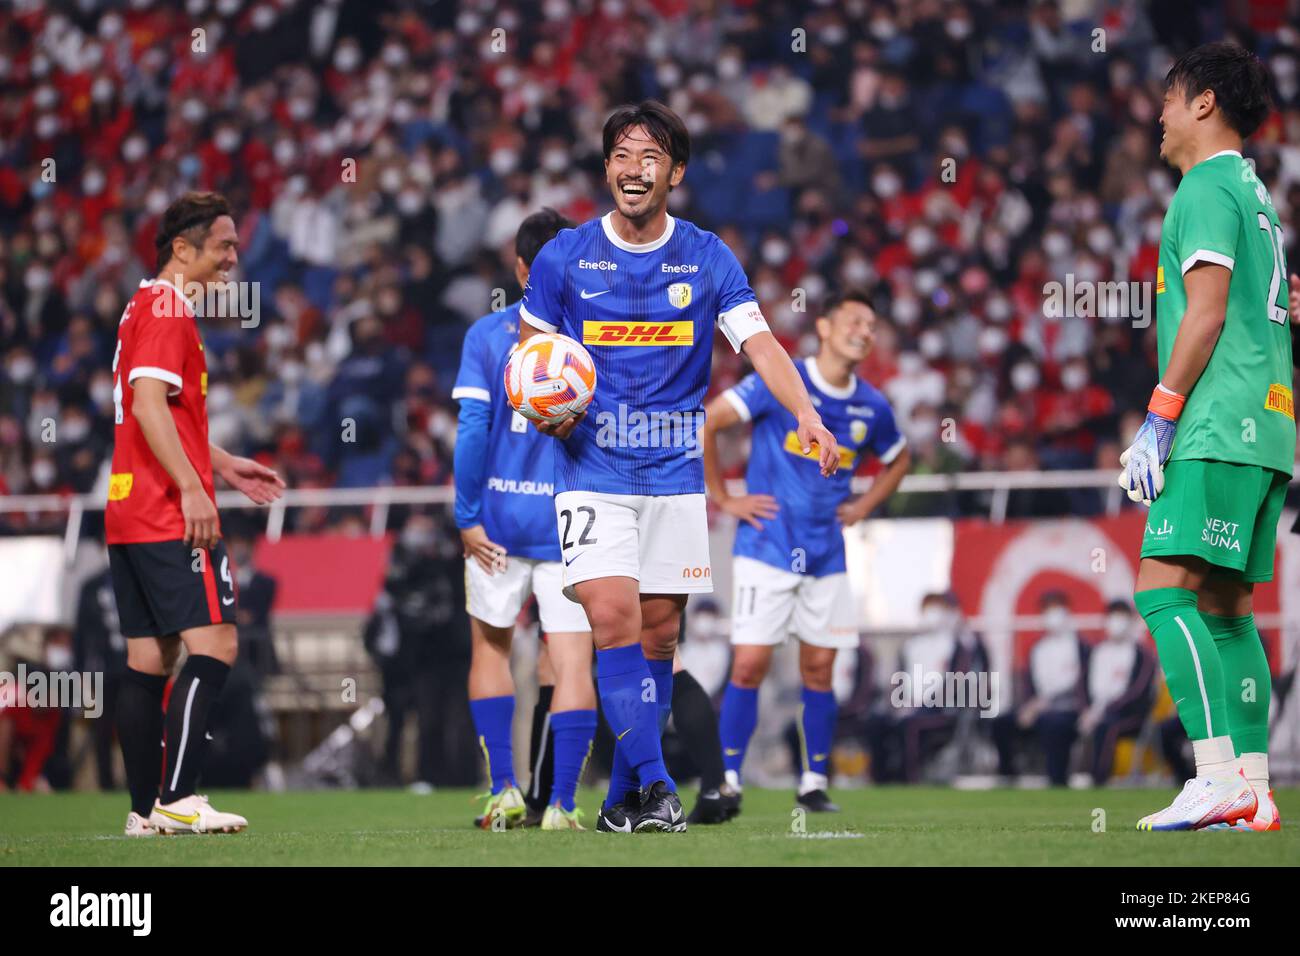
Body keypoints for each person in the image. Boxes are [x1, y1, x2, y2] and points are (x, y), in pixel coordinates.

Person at [519, 100, 841, 833]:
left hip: (672, 473)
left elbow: (760, 347)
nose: (635, 171)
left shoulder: (706, 256)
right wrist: (542, 408)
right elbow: (529, 360)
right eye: (623, 156)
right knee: (612, 621)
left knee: (661, 637)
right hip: (591, 469)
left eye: (651, 157)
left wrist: (807, 413)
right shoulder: (562, 259)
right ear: (606, 168)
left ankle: (621, 801)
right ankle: (663, 787)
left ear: (676, 172)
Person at [1119, 42, 1291, 831]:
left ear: (1204, 104)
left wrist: (1160, 413)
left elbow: (1210, 311)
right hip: (1270, 426)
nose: (1157, 114)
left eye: (1168, 97)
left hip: (1218, 421)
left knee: (1160, 591)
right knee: (1226, 608)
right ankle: (1254, 791)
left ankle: (1215, 772)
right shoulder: (1257, 198)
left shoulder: (1205, 187)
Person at [107, 191, 285, 836]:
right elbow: (151, 405)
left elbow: (159, 410)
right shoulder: (166, 307)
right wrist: (191, 487)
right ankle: (179, 798)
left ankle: (141, 811)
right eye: (223, 246)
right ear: (181, 249)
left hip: (128, 508)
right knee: (217, 643)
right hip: (163, 511)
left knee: (146, 660)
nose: (234, 258)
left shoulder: (140, 305)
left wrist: (224, 463)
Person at [703, 288, 910, 811]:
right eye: (854, 320)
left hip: (826, 554)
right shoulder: (782, 380)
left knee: (819, 670)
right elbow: (709, 420)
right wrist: (724, 496)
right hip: (765, 546)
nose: (864, 331)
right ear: (823, 326)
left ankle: (813, 783)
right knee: (748, 665)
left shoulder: (872, 404)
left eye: (871, 325)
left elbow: (900, 458)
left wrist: (864, 508)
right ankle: (727, 779)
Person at [454, 209, 597, 831]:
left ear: (519, 268)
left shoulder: (487, 336)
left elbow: (473, 430)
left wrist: (466, 516)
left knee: (490, 648)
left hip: (501, 524)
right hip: (574, 522)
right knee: (571, 662)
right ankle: (562, 805)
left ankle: (505, 791)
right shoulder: (595, 335)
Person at [992, 591, 1087, 786]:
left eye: (1056, 609)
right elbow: (1031, 685)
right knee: (1001, 723)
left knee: (1053, 724)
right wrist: (1029, 706)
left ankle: (1057, 780)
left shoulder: (1080, 647)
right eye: (1047, 610)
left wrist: (1042, 703)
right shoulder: (1038, 648)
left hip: (1068, 709)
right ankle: (1007, 775)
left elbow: (1077, 684)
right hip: (1037, 709)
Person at [1079, 600, 1157, 785]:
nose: (1116, 622)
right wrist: (1086, 710)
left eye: (1122, 616)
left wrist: (1105, 710)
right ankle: (1061, 779)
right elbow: (1081, 685)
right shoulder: (1097, 652)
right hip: (1095, 712)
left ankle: (1098, 780)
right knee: (1058, 723)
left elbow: (1138, 692)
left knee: (1107, 726)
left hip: (1131, 715)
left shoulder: (1141, 655)